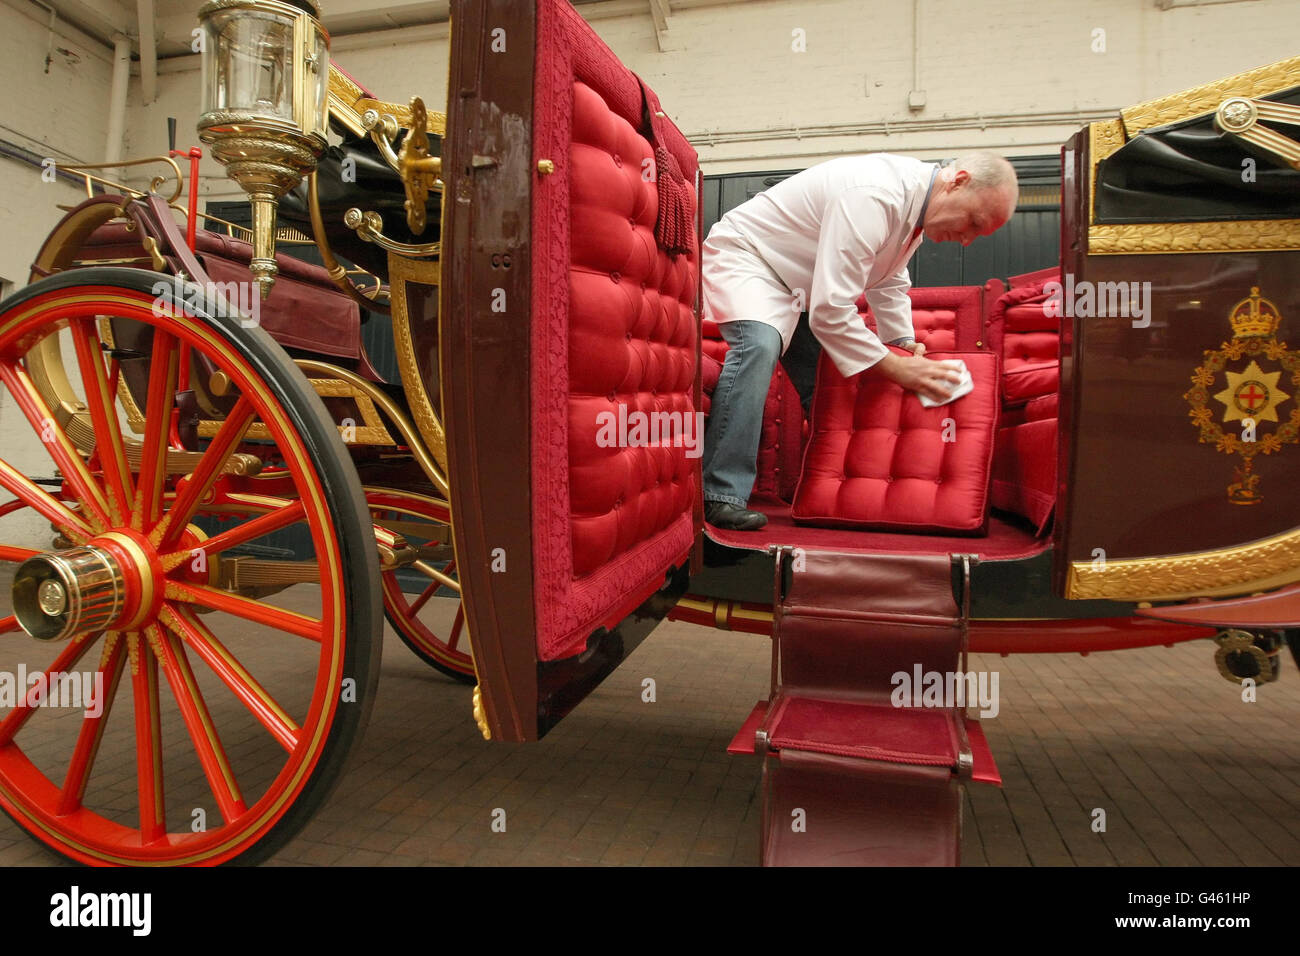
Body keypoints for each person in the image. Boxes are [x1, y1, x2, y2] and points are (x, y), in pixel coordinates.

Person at [701, 151, 1019, 530]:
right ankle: (721, 496)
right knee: (759, 345)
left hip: (801, 283)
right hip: (750, 258)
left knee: (827, 386)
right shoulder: (874, 193)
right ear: (959, 180)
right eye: (972, 222)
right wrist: (899, 367)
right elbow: (831, 309)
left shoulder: (915, 208)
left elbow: (889, 281)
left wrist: (901, 340)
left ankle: (840, 494)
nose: (966, 241)